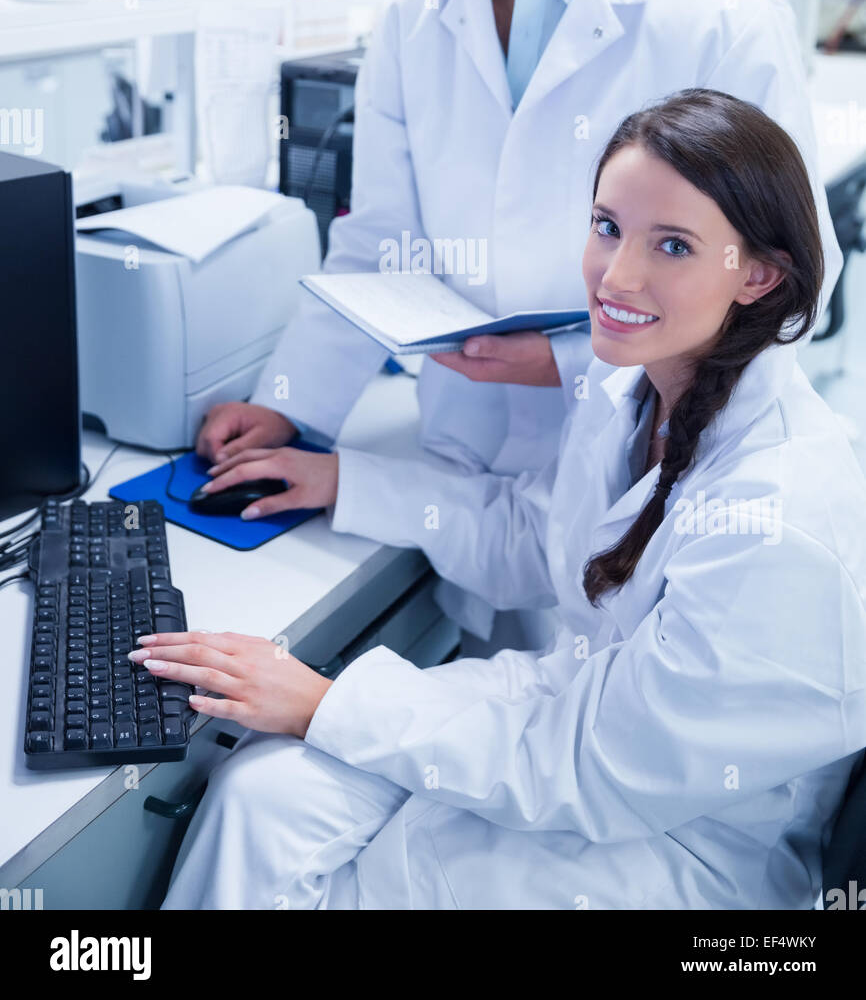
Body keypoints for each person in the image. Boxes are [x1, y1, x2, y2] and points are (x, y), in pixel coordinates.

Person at [197, 0, 842, 656]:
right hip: (455, 463)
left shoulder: (715, 16)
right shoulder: (415, 13)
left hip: (637, 485)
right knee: (462, 724)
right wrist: (290, 408)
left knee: (569, 748)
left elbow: (793, 277)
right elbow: (376, 240)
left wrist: (576, 365)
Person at [154, 90, 866, 911]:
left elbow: (601, 771)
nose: (617, 274)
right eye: (607, 227)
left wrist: (330, 703)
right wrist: (345, 482)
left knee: (375, 874)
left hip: (683, 847)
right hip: (573, 730)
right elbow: (553, 544)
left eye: (673, 245)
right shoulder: (635, 388)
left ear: (761, 275)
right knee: (263, 793)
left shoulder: (778, 519)